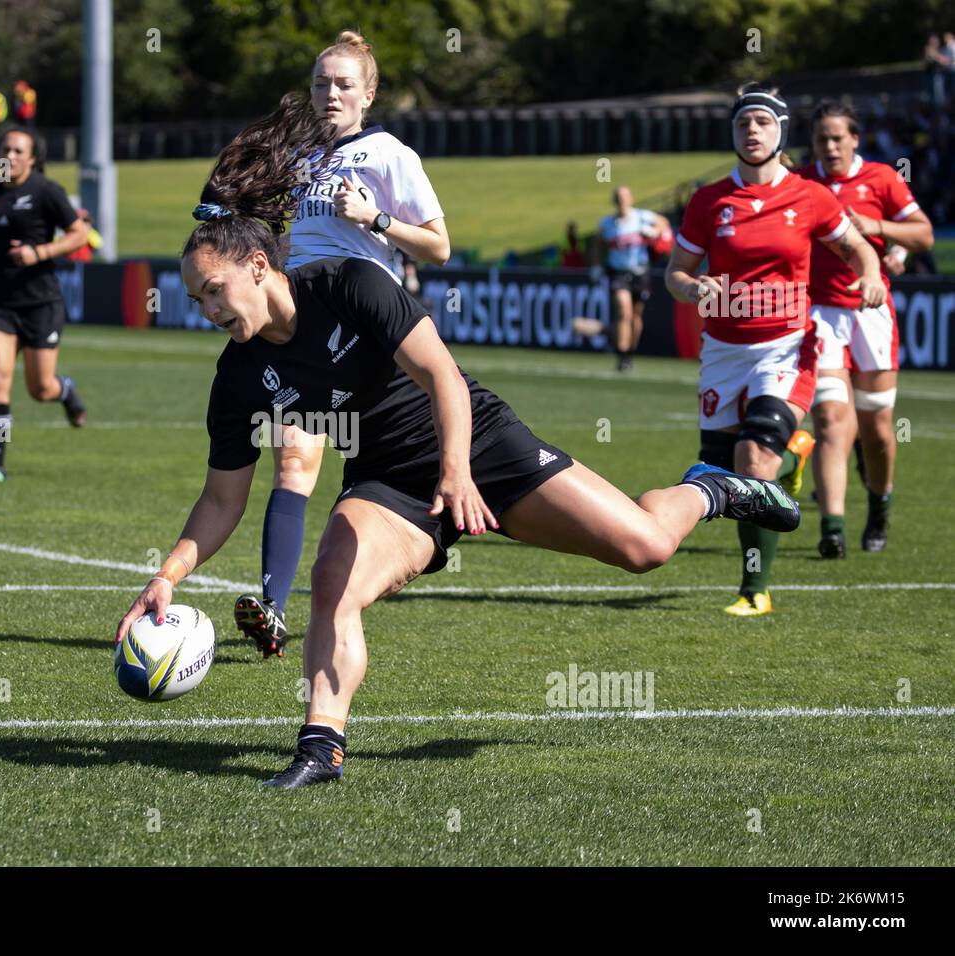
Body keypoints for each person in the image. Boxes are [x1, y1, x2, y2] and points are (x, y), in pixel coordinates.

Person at [115, 93, 803, 789]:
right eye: (197, 299)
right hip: (389, 480)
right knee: (333, 584)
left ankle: (709, 489)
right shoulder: (237, 377)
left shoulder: (351, 285)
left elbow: (441, 375)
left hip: (477, 445)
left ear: (259, 267)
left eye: (213, 291)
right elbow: (221, 497)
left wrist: (457, 471)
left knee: (646, 548)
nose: (207, 311)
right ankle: (320, 748)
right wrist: (167, 577)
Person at [232, 31, 450, 659]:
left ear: (369, 93)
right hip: (305, 316)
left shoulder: (389, 154)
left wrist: (375, 219)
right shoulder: (302, 158)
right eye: (321, 83)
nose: (330, 94)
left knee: (379, 458)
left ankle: (414, 533)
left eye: (344, 84)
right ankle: (272, 609)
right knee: (294, 462)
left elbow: (438, 246)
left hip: (366, 321)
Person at [666, 84, 886, 616]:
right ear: (734, 132)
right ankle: (795, 455)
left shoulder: (809, 195)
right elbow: (674, 272)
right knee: (718, 474)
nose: (753, 131)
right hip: (723, 350)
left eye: (763, 122)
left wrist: (871, 275)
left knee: (752, 460)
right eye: (744, 123)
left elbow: (855, 245)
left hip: (787, 348)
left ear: (780, 131)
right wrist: (694, 289)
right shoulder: (709, 199)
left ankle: (754, 591)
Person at [795, 100, 933, 557]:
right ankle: (832, 528)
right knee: (832, 419)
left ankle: (879, 506)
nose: (830, 146)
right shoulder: (803, 183)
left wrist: (877, 226)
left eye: (838, 138)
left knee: (875, 430)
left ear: (855, 138)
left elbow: (924, 234)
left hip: (870, 314)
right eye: (821, 139)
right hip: (820, 315)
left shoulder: (882, 178)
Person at [0, 127, 90, 483]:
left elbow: (79, 234)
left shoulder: (47, 191)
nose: (11, 156)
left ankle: (64, 391)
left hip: (41, 303)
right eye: (6, 149)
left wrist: (40, 252)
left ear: (32, 158)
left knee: (39, 388)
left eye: (19, 151)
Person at [593, 186, 671, 372]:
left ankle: (629, 352)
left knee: (636, 316)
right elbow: (597, 243)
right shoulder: (608, 223)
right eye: (619, 197)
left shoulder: (641, 217)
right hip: (618, 272)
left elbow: (663, 223)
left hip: (640, 271)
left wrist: (654, 231)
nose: (622, 201)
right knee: (624, 312)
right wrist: (596, 265)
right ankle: (621, 354)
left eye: (625, 197)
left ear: (631, 199)